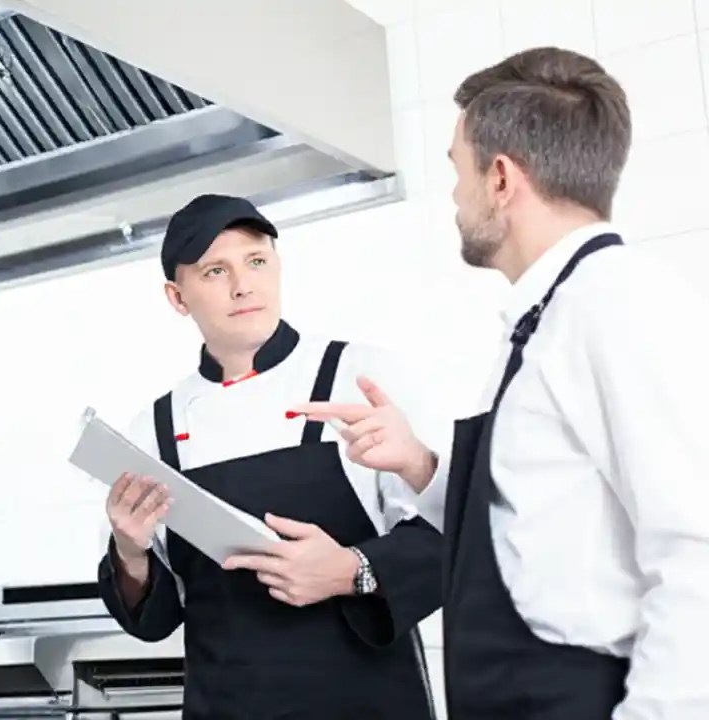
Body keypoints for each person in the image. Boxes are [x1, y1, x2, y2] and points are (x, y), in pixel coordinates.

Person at [293, 47, 709, 719]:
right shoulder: (549, 318)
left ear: (501, 179)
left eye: (458, 170)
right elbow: (546, 525)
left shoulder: (617, 304)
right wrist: (422, 466)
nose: (456, 196)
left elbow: (699, 553)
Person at [96, 193, 446, 719]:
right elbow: (155, 618)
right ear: (177, 296)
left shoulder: (362, 378)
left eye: (256, 261)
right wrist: (129, 551)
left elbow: (454, 538)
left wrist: (352, 570)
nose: (243, 285)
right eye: (215, 271)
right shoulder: (153, 429)